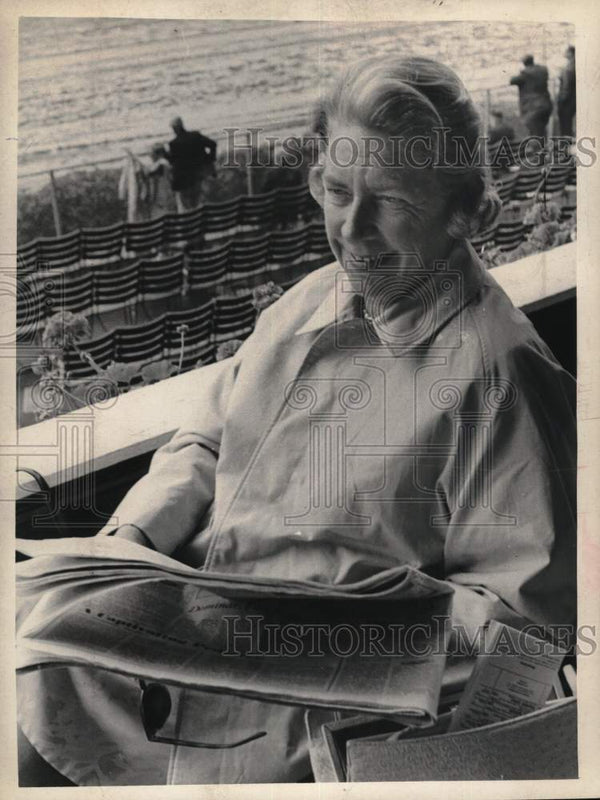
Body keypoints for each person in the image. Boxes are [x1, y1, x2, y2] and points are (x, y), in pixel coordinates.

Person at [18, 55, 576, 785]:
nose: (351, 226)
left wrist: (335, 642)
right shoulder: (307, 299)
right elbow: (205, 438)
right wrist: (132, 539)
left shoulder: (500, 373)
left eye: (391, 200)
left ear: (464, 212)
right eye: (337, 190)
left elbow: (525, 632)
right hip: (180, 640)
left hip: (318, 717)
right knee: (36, 665)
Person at [167, 116, 217, 212]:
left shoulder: (174, 144)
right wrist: (210, 160)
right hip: (199, 176)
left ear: (175, 128)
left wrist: (165, 155)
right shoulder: (196, 136)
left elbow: (173, 162)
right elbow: (213, 144)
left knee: (187, 209)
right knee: (200, 205)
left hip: (184, 182)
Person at [510, 54, 553, 137]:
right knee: (541, 130)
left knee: (534, 130)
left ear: (524, 63)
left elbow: (512, 81)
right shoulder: (543, 71)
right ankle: (543, 148)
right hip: (546, 104)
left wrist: (522, 71)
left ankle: (538, 148)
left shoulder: (525, 74)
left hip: (533, 107)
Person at [147, 144, 174, 218]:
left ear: (159, 154)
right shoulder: (163, 163)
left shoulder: (162, 163)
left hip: (162, 196)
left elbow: (152, 173)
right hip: (166, 194)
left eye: (152, 153)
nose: (150, 155)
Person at [557, 45, 576, 138]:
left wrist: (561, 100)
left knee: (565, 127)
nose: (564, 53)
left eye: (566, 51)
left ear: (571, 53)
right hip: (572, 100)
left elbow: (566, 87)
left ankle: (565, 148)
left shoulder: (569, 68)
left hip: (567, 102)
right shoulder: (574, 65)